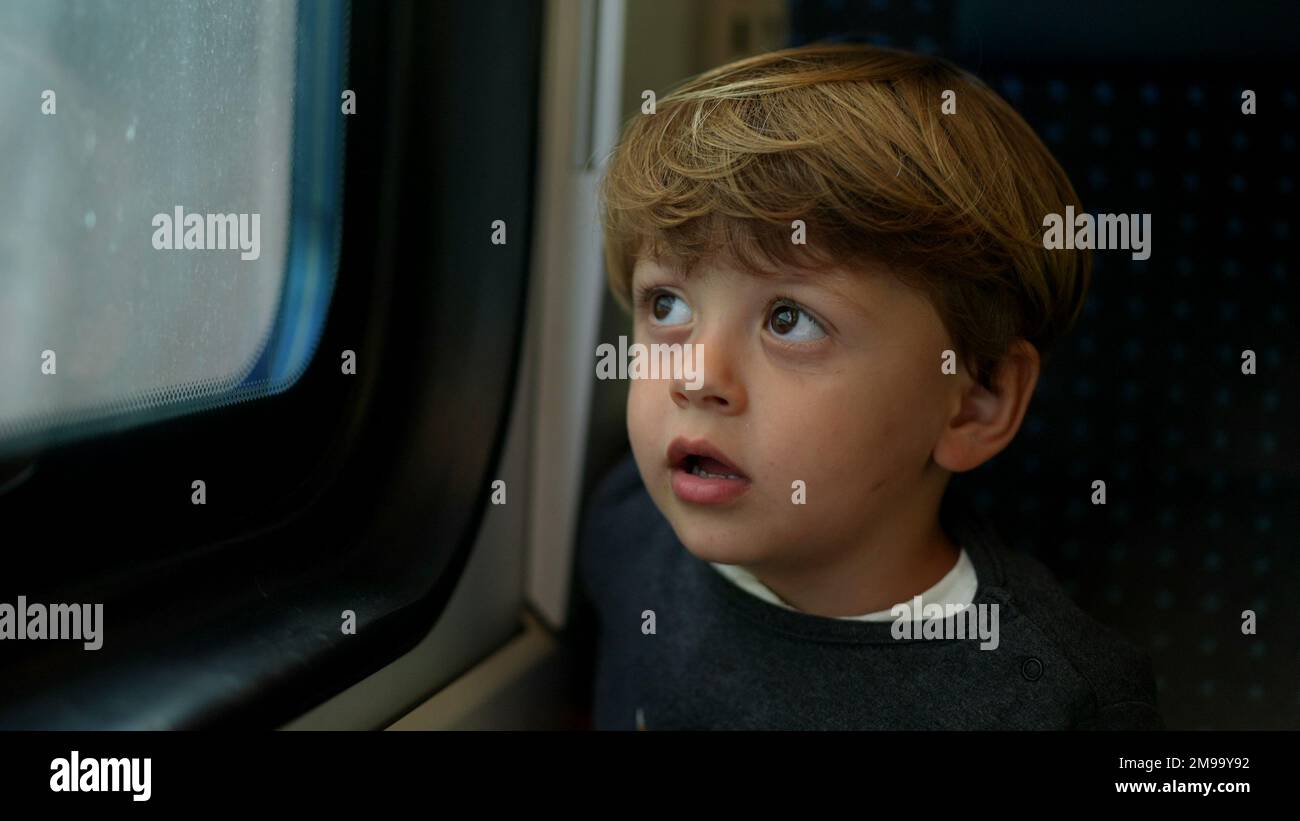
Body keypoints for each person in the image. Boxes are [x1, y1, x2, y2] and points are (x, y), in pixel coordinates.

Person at [578, 42, 1161, 730]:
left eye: (790, 320)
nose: (697, 378)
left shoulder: (1042, 699)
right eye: (668, 306)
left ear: (976, 400)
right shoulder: (627, 532)